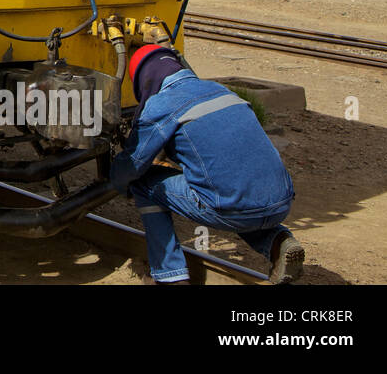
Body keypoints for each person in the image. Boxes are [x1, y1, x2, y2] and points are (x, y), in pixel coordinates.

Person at [110, 44, 303, 285]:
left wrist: (117, 183)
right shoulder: (221, 90)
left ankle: (170, 276)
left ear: (145, 79)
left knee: (143, 184)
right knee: (234, 184)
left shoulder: (161, 104)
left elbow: (134, 163)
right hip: (281, 201)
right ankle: (278, 242)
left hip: (232, 207)